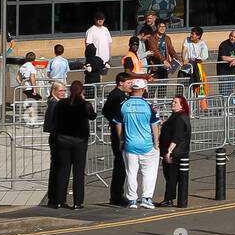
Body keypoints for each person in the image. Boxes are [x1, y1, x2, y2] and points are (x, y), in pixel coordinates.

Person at [115, 79, 161, 209]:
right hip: (146, 144)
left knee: (131, 172)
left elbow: (118, 124)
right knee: (149, 172)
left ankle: (132, 199)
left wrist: (121, 140)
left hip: (130, 144)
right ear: (143, 90)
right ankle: (146, 198)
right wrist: (156, 143)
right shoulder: (149, 105)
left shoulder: (123, 105)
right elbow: (154, 125)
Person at [50, 81, 95, 211]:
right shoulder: (84, 104)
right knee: (78, 172)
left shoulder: (61, 103)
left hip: (63, 139)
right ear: (82, 91)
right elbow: (92, 116)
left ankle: (59, 201)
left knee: (63, 170)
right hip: (79, 140)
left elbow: (55, 119)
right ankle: (77, 202)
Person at [102, 72, 131, 206]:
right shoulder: (117, 96)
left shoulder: (122, 95)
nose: (130, 85)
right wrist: (114, 122)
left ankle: (118, 193)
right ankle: (116, 195)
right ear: (121, 83)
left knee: (122, 164)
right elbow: (106, 111)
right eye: (128, 83)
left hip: (120, 132)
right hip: (118, 134)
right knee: (120, 164)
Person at [157, 94, 192, 208]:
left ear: (182, 105)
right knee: (169, 176)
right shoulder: (176, 116)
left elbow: (177, 136)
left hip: (176, 153)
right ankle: (170, 198)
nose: (172, 103)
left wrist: (169, 151)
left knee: (171, 176)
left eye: (175, 102)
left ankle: (169, 199)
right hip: (174, 151)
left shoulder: (180, 117)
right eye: (172, 101)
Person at [42, 80, 68, 208]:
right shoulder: (54, 104)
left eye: (64, 90)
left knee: (57, 167)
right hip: (57, 138)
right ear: (54, 91)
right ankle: (55, 198)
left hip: (57, 137)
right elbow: (53, 123)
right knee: (58, 168)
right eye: (61, 90)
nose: (63, 93)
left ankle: (56, 197)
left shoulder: (57, 103)